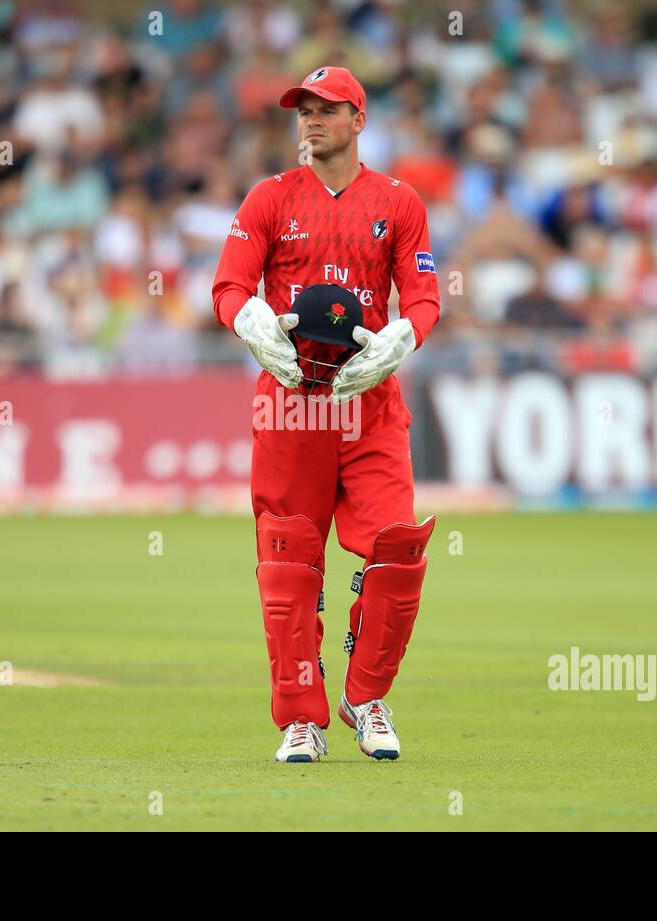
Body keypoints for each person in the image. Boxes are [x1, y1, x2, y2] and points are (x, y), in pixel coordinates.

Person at [211, 66, 440, 762]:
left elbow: (423, 295)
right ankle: (300, 718)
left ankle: (366, 699)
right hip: (290, 404)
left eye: (326, 109)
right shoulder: (270, 198)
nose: (311, 120)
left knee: (397, 550)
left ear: (358, 119)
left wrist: (404, 337)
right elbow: (228, 283)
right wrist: (250, 321)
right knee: (287, 564)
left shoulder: (398, 202)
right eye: (303, 110)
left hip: (367, 405)